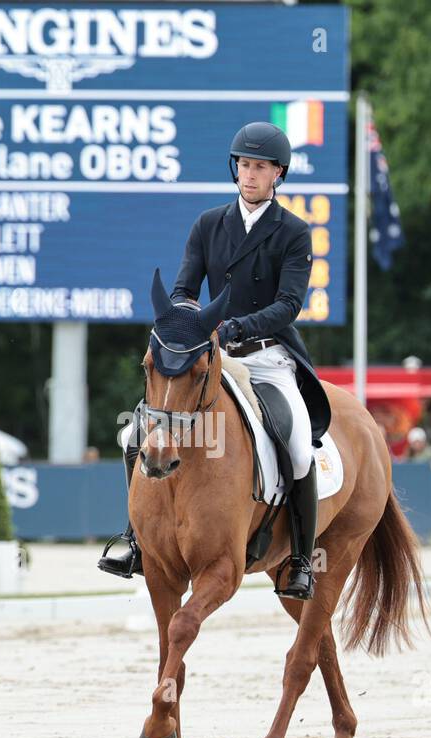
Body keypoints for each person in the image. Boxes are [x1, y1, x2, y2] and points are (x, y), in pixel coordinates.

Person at [99, 121, 330, 601]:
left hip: (265, 357)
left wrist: (238, 327)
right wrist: (186, 323)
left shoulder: (293, 232)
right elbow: (184, 289)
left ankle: (302, 560)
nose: (249, 174)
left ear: (277, 174)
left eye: (260, 167)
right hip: (209, 357)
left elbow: (289, 305)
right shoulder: (208, 224)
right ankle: (134, 540)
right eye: (244, 165)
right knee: (133, 433)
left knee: (297, 445)